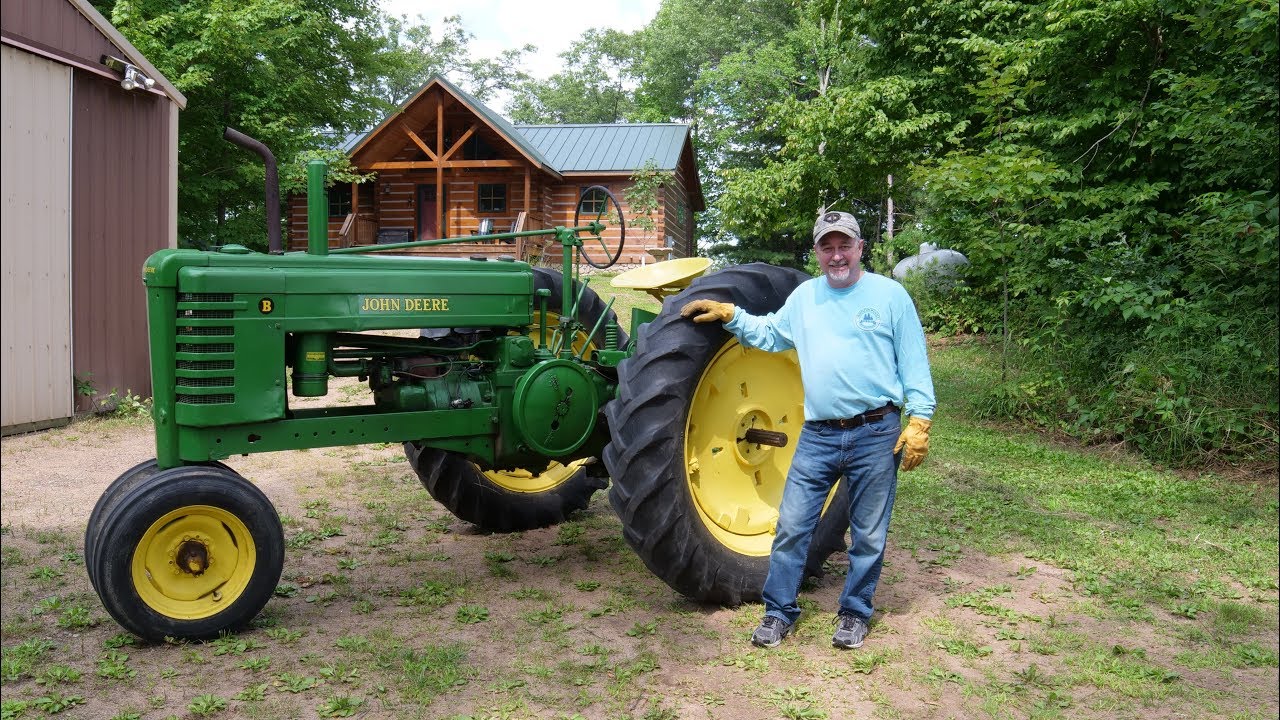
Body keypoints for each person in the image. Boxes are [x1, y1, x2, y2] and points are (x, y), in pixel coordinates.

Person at [680, 211, 935, 650]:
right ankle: (779, 612)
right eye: (827, 246)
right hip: (817, 435)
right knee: (793, 527)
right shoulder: (805, 298)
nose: (836, 255)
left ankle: (855, 612)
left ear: (860, 248)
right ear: (817, 252)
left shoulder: (890, 296)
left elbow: (914, 361)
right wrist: (731, 315)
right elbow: (772, 335)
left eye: (844, 245)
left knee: (869, 533)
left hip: (877, 431)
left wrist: (920, 419)